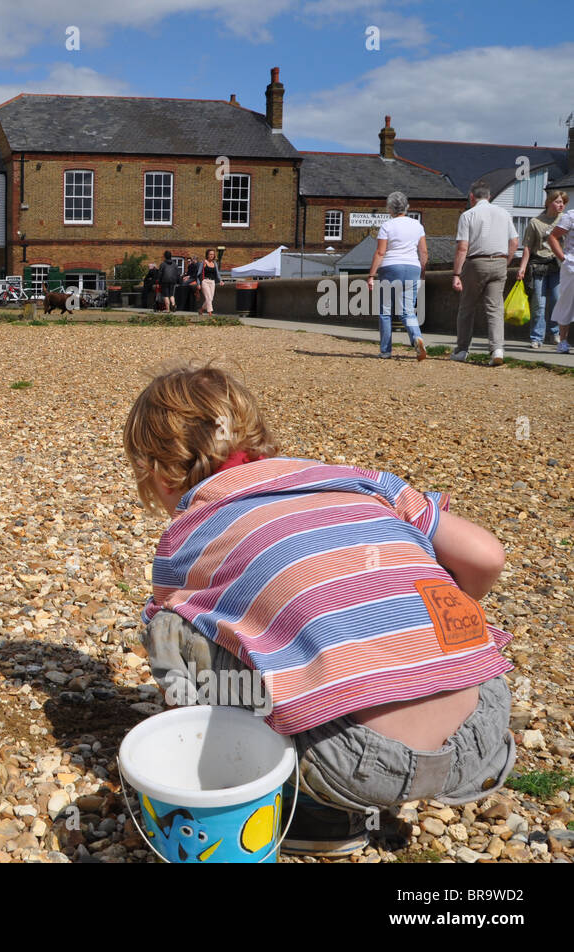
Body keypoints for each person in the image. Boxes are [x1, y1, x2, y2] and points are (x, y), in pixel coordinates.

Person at [124, 364, 515, 856]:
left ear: (160, 476)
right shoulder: (362, 481)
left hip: (350, 760)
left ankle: (312, 811)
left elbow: (180, 636)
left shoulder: (186, 538)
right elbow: (487, 556)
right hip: (484, 729)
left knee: (170, 624)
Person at [451, 182, 518, 366]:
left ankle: (462, 350)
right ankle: (497, 349)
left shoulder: (468, 215)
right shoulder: (504, 213)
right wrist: (506, 262)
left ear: (472, 197)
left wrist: (456, 273)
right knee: (495, 308)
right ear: (489, 196)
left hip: (476, 262)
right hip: (500, 261)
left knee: (467, 307)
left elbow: (462, 247)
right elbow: (514, 242)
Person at [367, 191, 428, 360]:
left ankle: (386, 350)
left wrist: (371, 275)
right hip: (412, 267)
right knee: (408, 310)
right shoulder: (417, 226)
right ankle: (417, 337)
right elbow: (423, 252)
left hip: (391, 267)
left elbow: (380, 252)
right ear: (407, 207)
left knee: (385, 311)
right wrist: (421, 272)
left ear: (389, 208)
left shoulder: (387, 226)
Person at [516, 190, 567, 349]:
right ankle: (537, 337)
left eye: (563, 202)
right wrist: (522, 268)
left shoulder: (565, 220)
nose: (561, 205)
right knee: (539, 302)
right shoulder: (535, 222)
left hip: (558, 266)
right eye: (558, 202)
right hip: (539, 265)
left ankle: (555, 333)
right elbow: (527, 247)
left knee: (557, 300)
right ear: (549, 202)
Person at [545, 202, 574, 354]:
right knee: (566, 302)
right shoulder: (570, 216)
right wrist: (564, 259)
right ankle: (563, 341)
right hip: (572, 266)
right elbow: (552, 237)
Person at [197, 248, 221, 315]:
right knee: (208, 297)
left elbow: (217, 273)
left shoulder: (215, 263)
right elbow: (198, 274)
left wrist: (220, 280)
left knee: (210, 299)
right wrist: (198, 284)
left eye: (213, 254)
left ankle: (201, 309)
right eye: (210, 254)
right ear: (207, 255)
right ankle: (210, 313)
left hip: (212, 282)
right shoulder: (203, 262)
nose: (212, 256)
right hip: (205, 281)